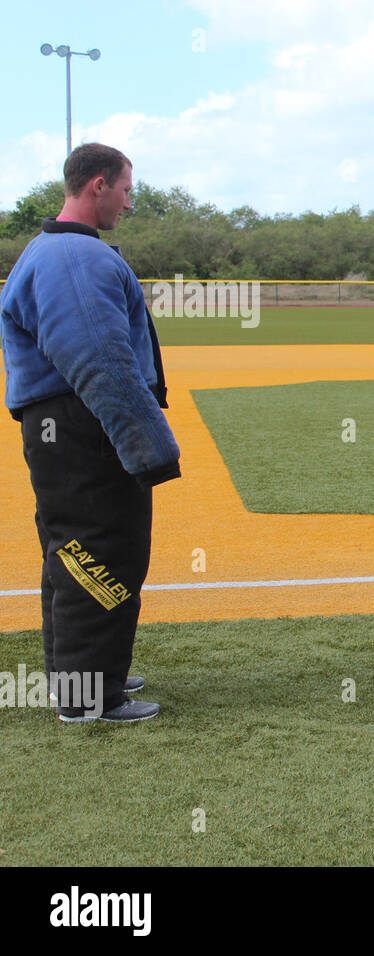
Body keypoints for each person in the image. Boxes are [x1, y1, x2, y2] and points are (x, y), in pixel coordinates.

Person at [1, 143, 180, 723]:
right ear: (97, 184)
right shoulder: (77, 259)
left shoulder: (46, 251)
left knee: (72, 548)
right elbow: (100, 361)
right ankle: (89, 699)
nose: (129, 202)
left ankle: (82, 674)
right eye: (126, 190)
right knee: (103, 550)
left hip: (60, 425)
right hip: (85, 424)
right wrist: (146, 442)